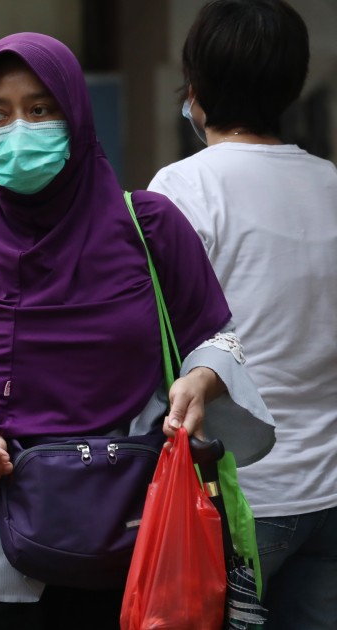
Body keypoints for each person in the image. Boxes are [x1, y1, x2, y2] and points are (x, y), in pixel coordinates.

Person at [0, 33, 275, 629]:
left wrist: (202, 377)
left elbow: (216, 335)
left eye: (40, 109)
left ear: (76, 114)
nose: (18, 131)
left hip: (135, 533)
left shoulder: (149, 227)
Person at [149, 2, 337, 627]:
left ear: (196, 90)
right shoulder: (331, 184)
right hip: (329, 492)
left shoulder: (180, 190)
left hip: (237, 497)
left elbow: (150, 342)